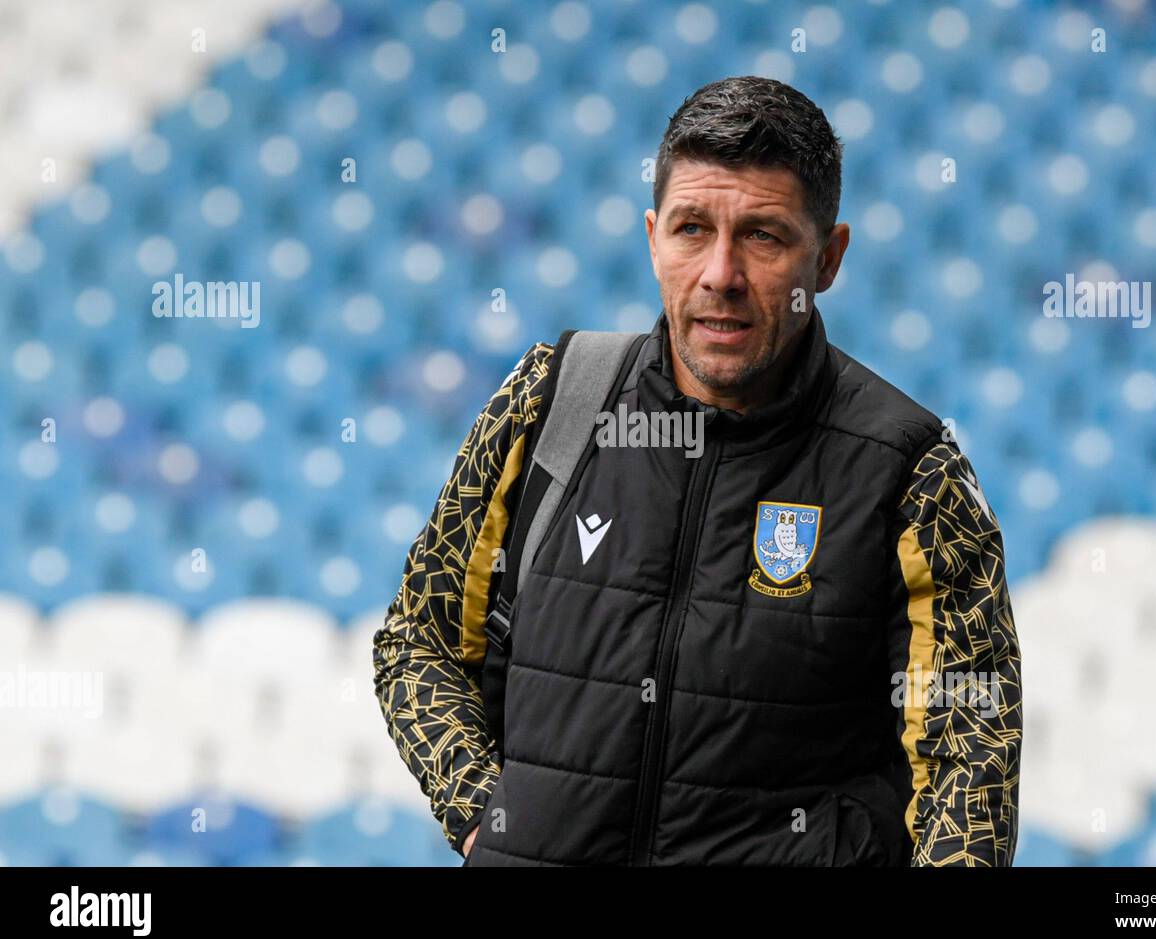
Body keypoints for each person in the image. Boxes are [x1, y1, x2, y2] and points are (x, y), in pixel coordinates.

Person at [373, 75, 1021, 866]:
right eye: (691, 230)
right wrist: (485, 815)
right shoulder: (552, 401)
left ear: (829, 258)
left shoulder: (910, 470)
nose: (720, 273)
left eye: (763, 236)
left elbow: (971, 761)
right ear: (653, 239)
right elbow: (417, 638)